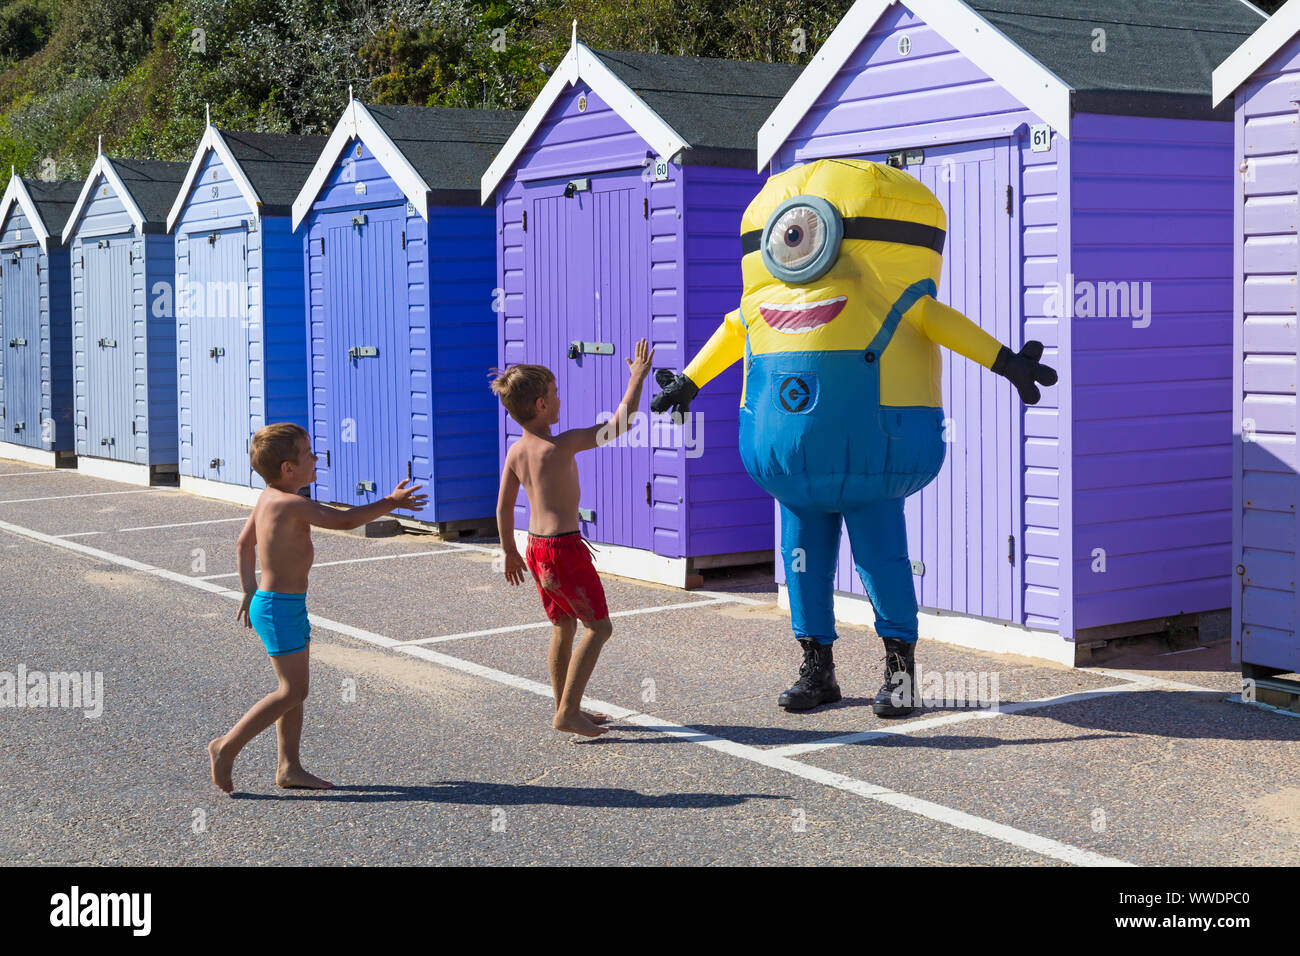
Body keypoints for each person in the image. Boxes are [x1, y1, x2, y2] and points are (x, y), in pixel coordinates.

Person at [208, 423, 427, 793]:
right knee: (291, 691)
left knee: (293, 689)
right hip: (279, 607)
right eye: (308, 454)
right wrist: (390, 503)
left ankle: (289, 767)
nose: (316, 459)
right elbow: (341, 521)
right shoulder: (289, 503)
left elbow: (244, 544)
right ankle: (226, 747)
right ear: (287, 469)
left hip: (281, 604)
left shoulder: (268, 497)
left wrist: (249, 589)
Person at [491, 339, 654, 738]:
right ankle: (568, 711)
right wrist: (636, 378)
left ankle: (566, 704)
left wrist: (510, 552)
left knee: (563, 625)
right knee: (599, 628)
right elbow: (619, 423)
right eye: (555, 393)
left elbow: (503, 508)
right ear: (541, 406)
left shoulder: (516, 452)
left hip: (536, 547)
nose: (559, 399)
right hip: (564, 549)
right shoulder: (559, 446)